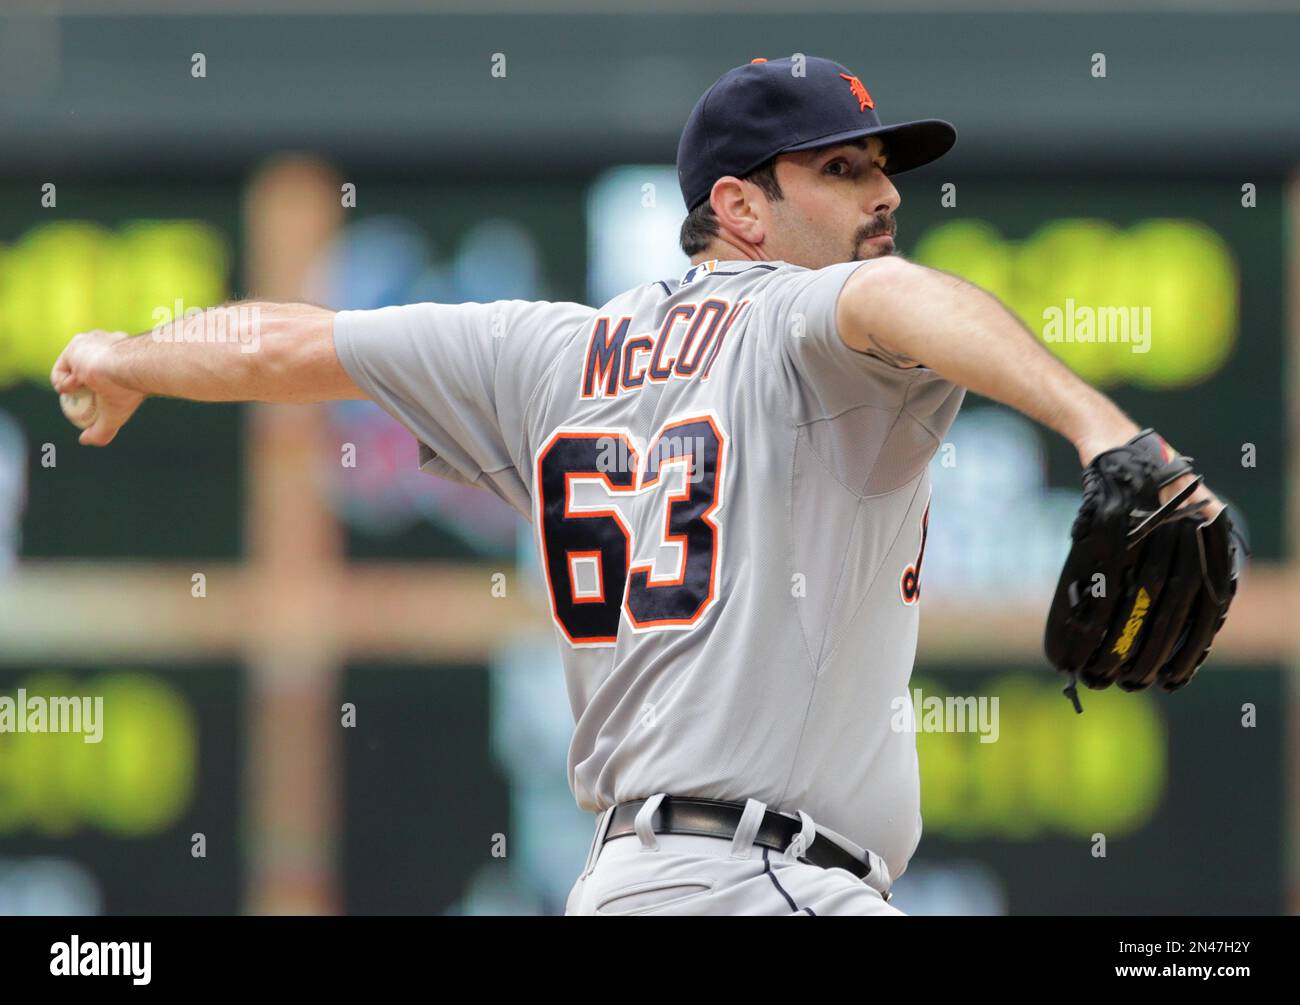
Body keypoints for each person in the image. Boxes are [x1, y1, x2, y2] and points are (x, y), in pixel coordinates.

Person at [51, 56, 1222, 916]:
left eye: (880, 167)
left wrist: (126, 355)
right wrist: (1106, 434)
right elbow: (906, 300)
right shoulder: (802, 316)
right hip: (766, 883)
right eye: (841, 167)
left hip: (630, 881)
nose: (883, 196)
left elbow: (291, 342)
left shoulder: (548, 354)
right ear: (737, 207)